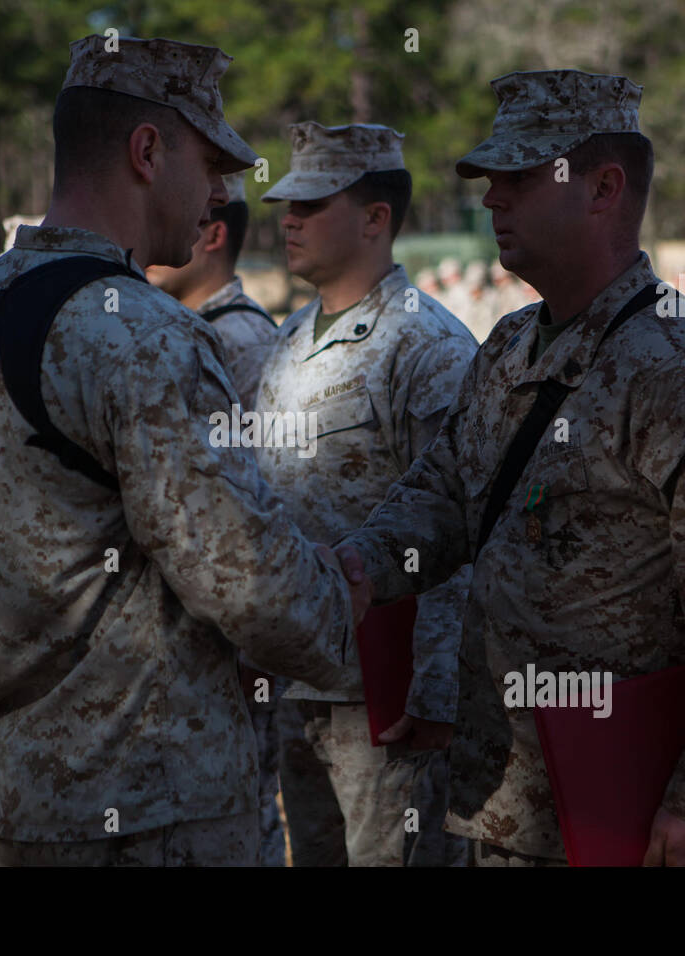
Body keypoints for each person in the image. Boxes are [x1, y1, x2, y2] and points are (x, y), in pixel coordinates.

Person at [332, 69, 685, 867]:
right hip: (507, 801)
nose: (491, 199)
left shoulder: (680, 372)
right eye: (491, 179)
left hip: (623, 816)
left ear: (604, 188)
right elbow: (446, 490)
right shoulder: (511, 344)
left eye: (517, 178)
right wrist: (363, 564)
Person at [0, 35, 366, 867]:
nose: (222, 193)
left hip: (21, 805)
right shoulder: (148, 336)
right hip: (159, 807)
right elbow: (248, 581)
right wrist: (349, 603)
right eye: (211, 161)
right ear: (147, 151)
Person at [256, 121, 477, 866]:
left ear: (376, 218)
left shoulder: (429, 346)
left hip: (388, 693)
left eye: (313, 204)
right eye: (287, 202)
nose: (289, 218)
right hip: (299, 677)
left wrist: (438, 684)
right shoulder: (288, 339)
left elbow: (465, 525)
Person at [143, 169, 285, 867]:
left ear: (212, 234)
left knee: (246, 812)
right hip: (202, 642)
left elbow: (255, 502)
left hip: (237, 645)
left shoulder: (238, 342)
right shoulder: (193, 333)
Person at [146, 170, 276, 407]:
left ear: (215, 236)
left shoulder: (246, 343)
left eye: (168, 224)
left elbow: (258, 442)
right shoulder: (173, 322)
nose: (152, 239)